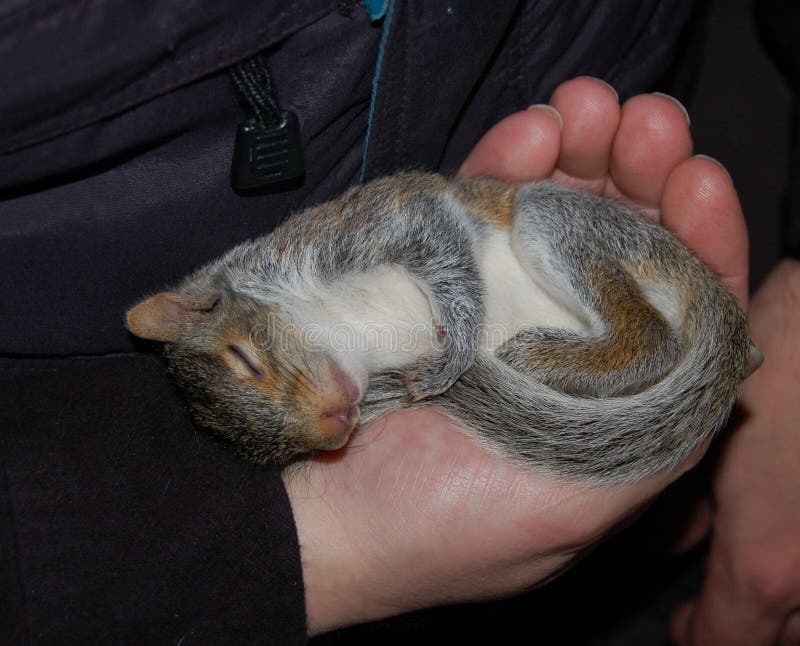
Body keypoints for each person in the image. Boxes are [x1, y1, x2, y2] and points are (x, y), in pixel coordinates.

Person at [0, 1, 778, 642]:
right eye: (302, 434)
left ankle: (636, 348)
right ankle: (644, 377)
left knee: (543, 217)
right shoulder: (350, 384)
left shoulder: (296, 266)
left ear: (215, 310)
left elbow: (423, 211)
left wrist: (460, 309)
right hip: (538, 322)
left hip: (531, 222)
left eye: (252, 368)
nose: (329, 419)